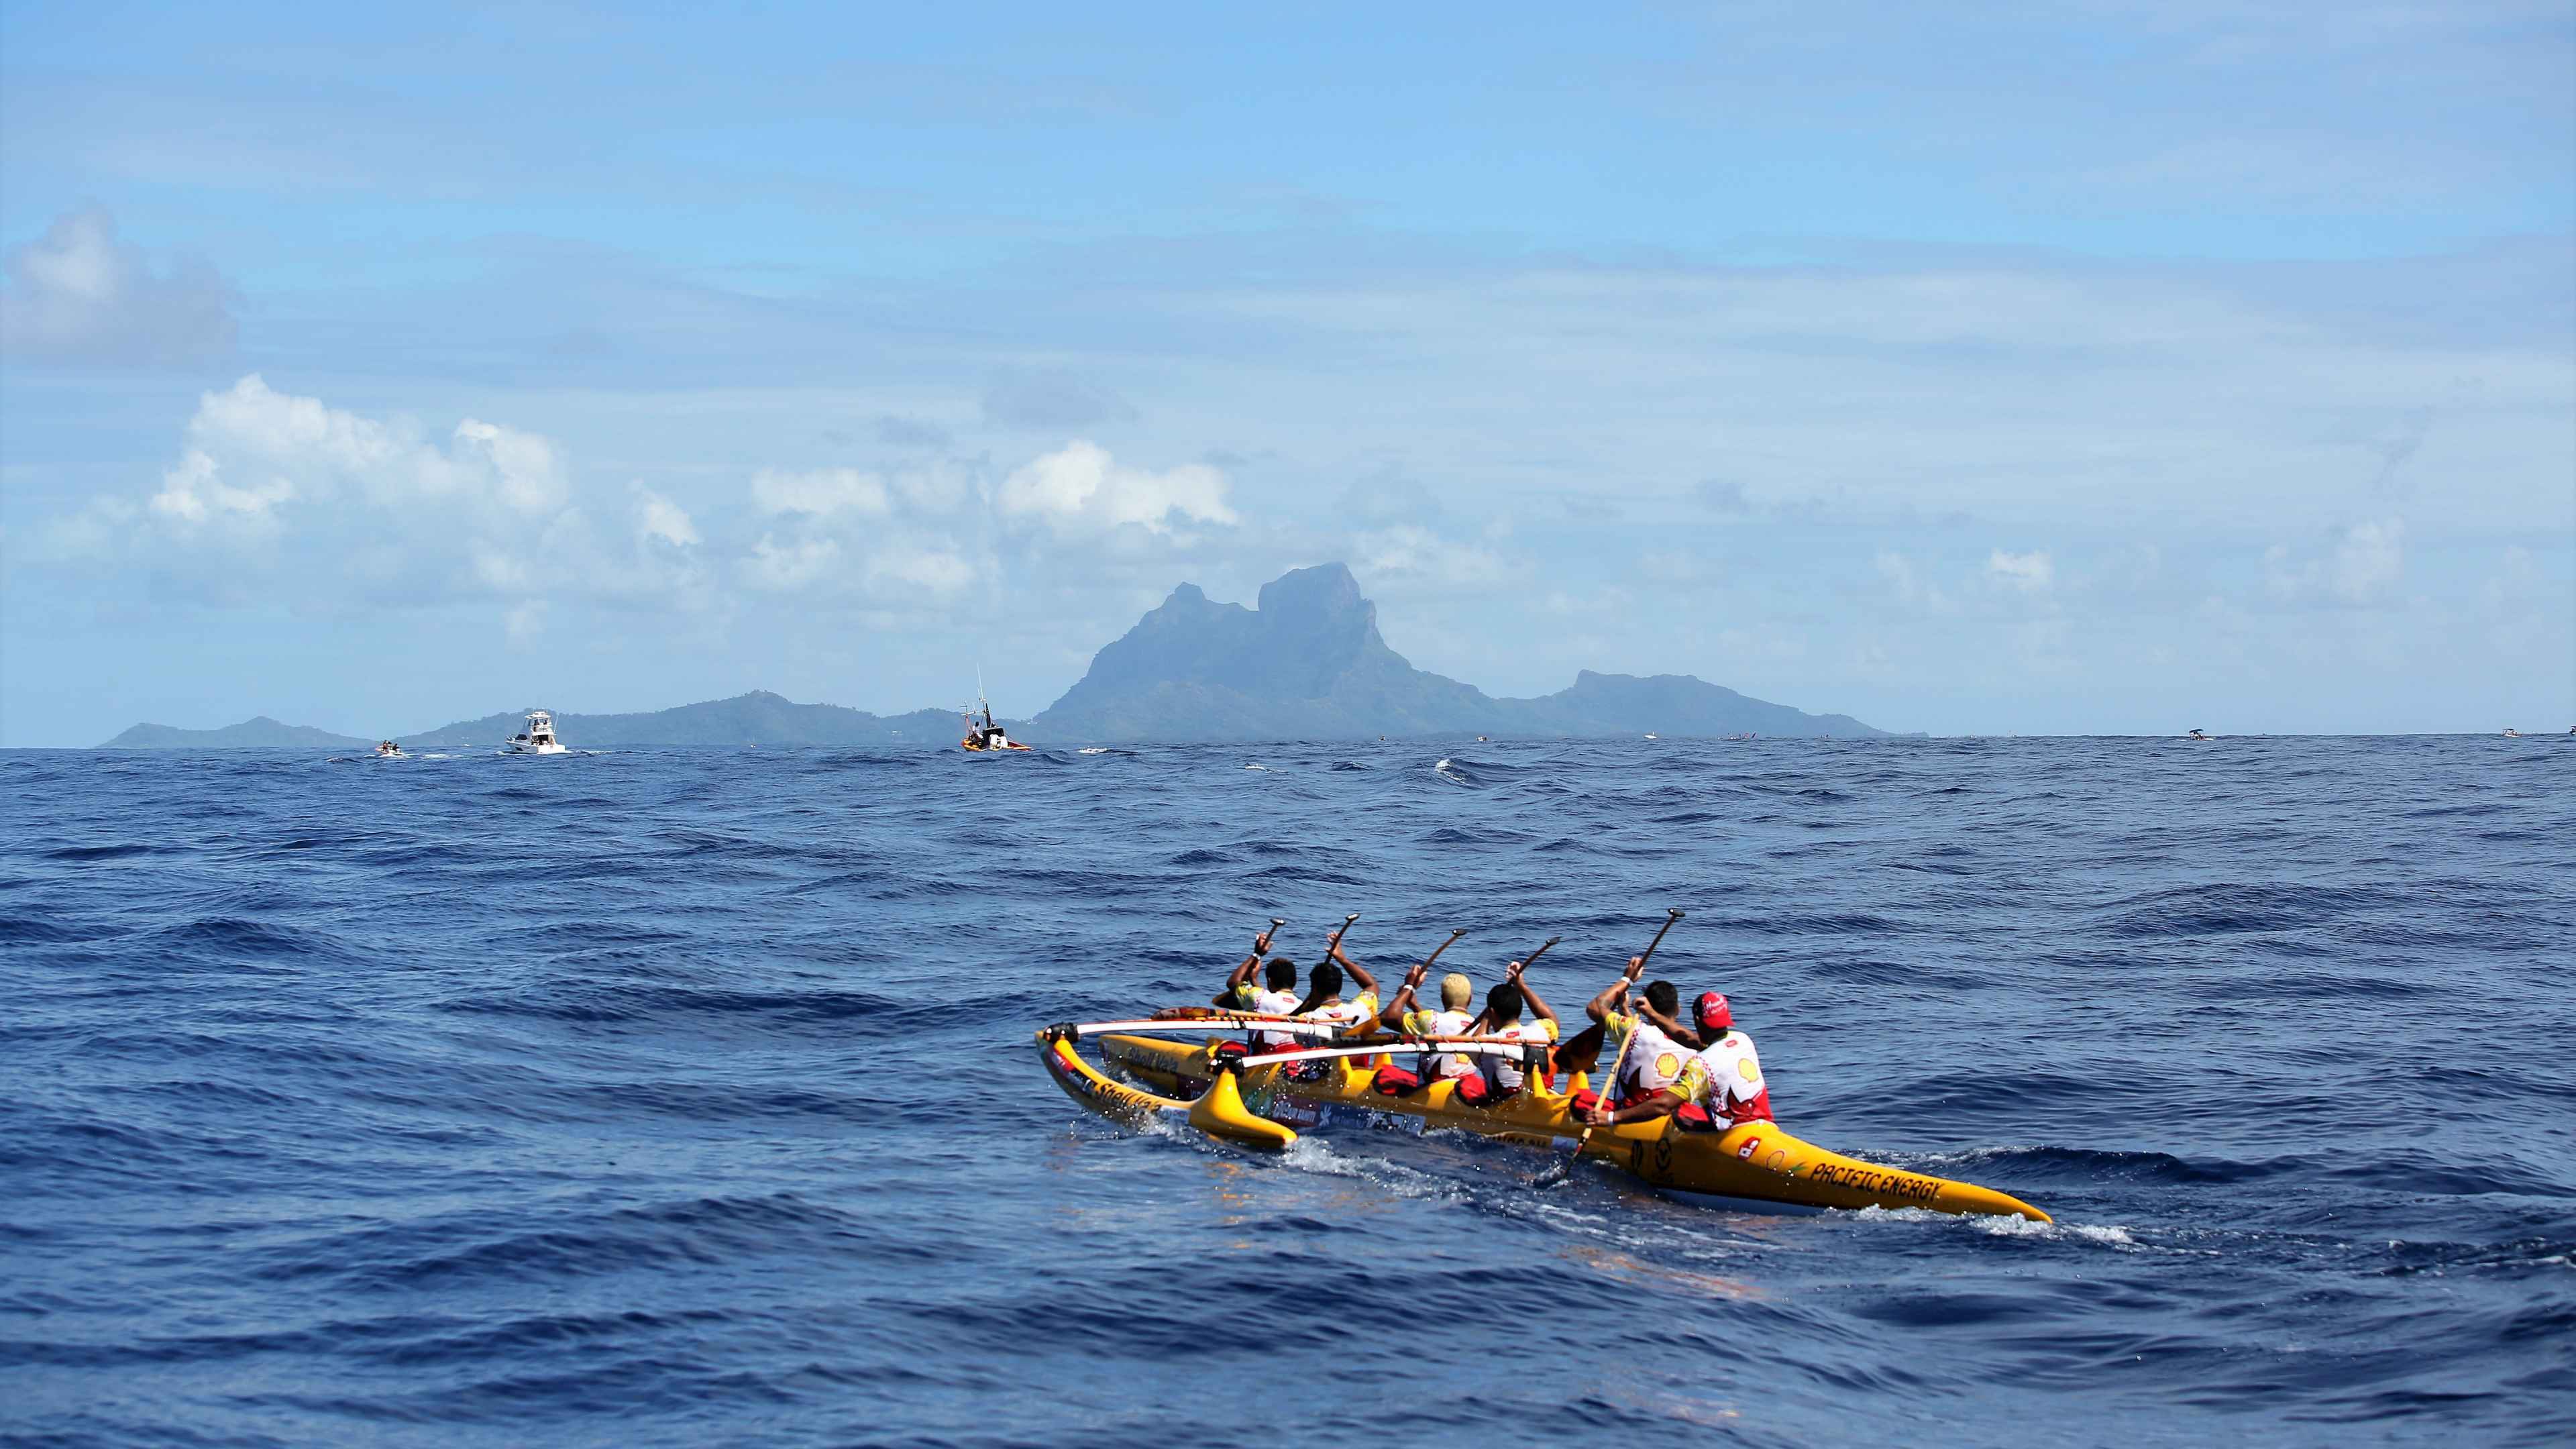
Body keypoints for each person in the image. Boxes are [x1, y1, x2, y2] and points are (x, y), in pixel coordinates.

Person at [1585, 991, 1773, 1132]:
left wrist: (1610, 1117)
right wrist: (1652, 1014)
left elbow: (1663, 1105)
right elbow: (1689, 1039)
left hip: (1729, 1137)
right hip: (1764, 1129)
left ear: (1697, 1020)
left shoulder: (1701, 1064)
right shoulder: (1743, 1040)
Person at [1552, 957, 1699, 1116]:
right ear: (1678, 1009)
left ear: (1645, 1008)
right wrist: (1624, 1011)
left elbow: (1595, 1007)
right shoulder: (1694, 1044)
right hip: (1674, 1116)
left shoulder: (1634, 1031)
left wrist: (1627, 979)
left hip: (1627, 1116)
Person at [1361, 960, 1488, 1102]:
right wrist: (1415, 1007)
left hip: (1430, 1092)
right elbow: (1439, 1031)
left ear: (1442, 999)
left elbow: (1387, 1017)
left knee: (1388, 1073)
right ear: (1470, 1000)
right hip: (1460, 1090)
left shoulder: (1431, 1019)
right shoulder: (1480, 1028)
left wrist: (1410, 986)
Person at [1470, 959, 1560, 1099]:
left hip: (1506, 1106)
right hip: (1542, 1098)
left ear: (1492, 1012)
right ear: (1520, 1010)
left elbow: (1473, 1043)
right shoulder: (1541, 1031)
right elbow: (1552, 1020)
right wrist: (1523, 987)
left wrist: (1487, 1015)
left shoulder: (1487, 1045)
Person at [1213, 926, 1304, 1052]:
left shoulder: (1258, 997)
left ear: (1269, 981)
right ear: (1295, 981)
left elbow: (1233, 982)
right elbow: (1269, 999)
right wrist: (1254, 980)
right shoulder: (1303, 1007)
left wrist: (1257, 954)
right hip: (1291, 1061)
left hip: (1259, 1062)